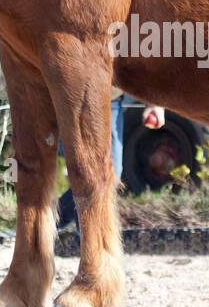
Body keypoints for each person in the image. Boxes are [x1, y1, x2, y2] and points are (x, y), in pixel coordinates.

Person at [56, 94, 165, 231]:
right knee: (103, 176)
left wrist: (153, 102)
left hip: (110, 99)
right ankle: (57, 227)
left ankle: (50, 224)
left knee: (102, 176)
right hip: (96, 96)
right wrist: (153, 102)